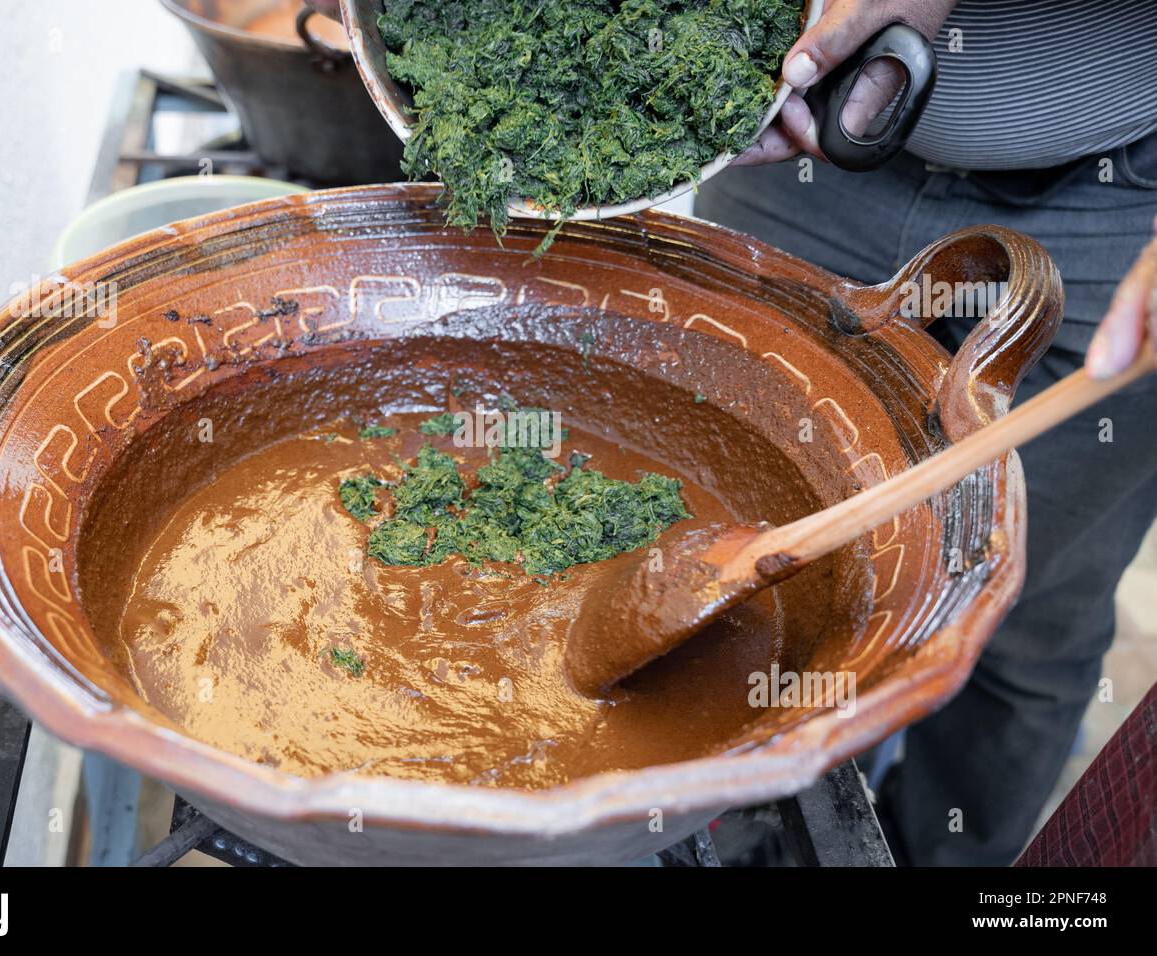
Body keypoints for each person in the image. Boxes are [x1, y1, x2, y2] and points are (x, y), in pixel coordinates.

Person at [310, 0, 1157, 865]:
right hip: (796, 135)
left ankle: (943, 855)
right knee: (729, 388)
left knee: (1016, 621)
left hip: (1119, 203)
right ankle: (750, 816)